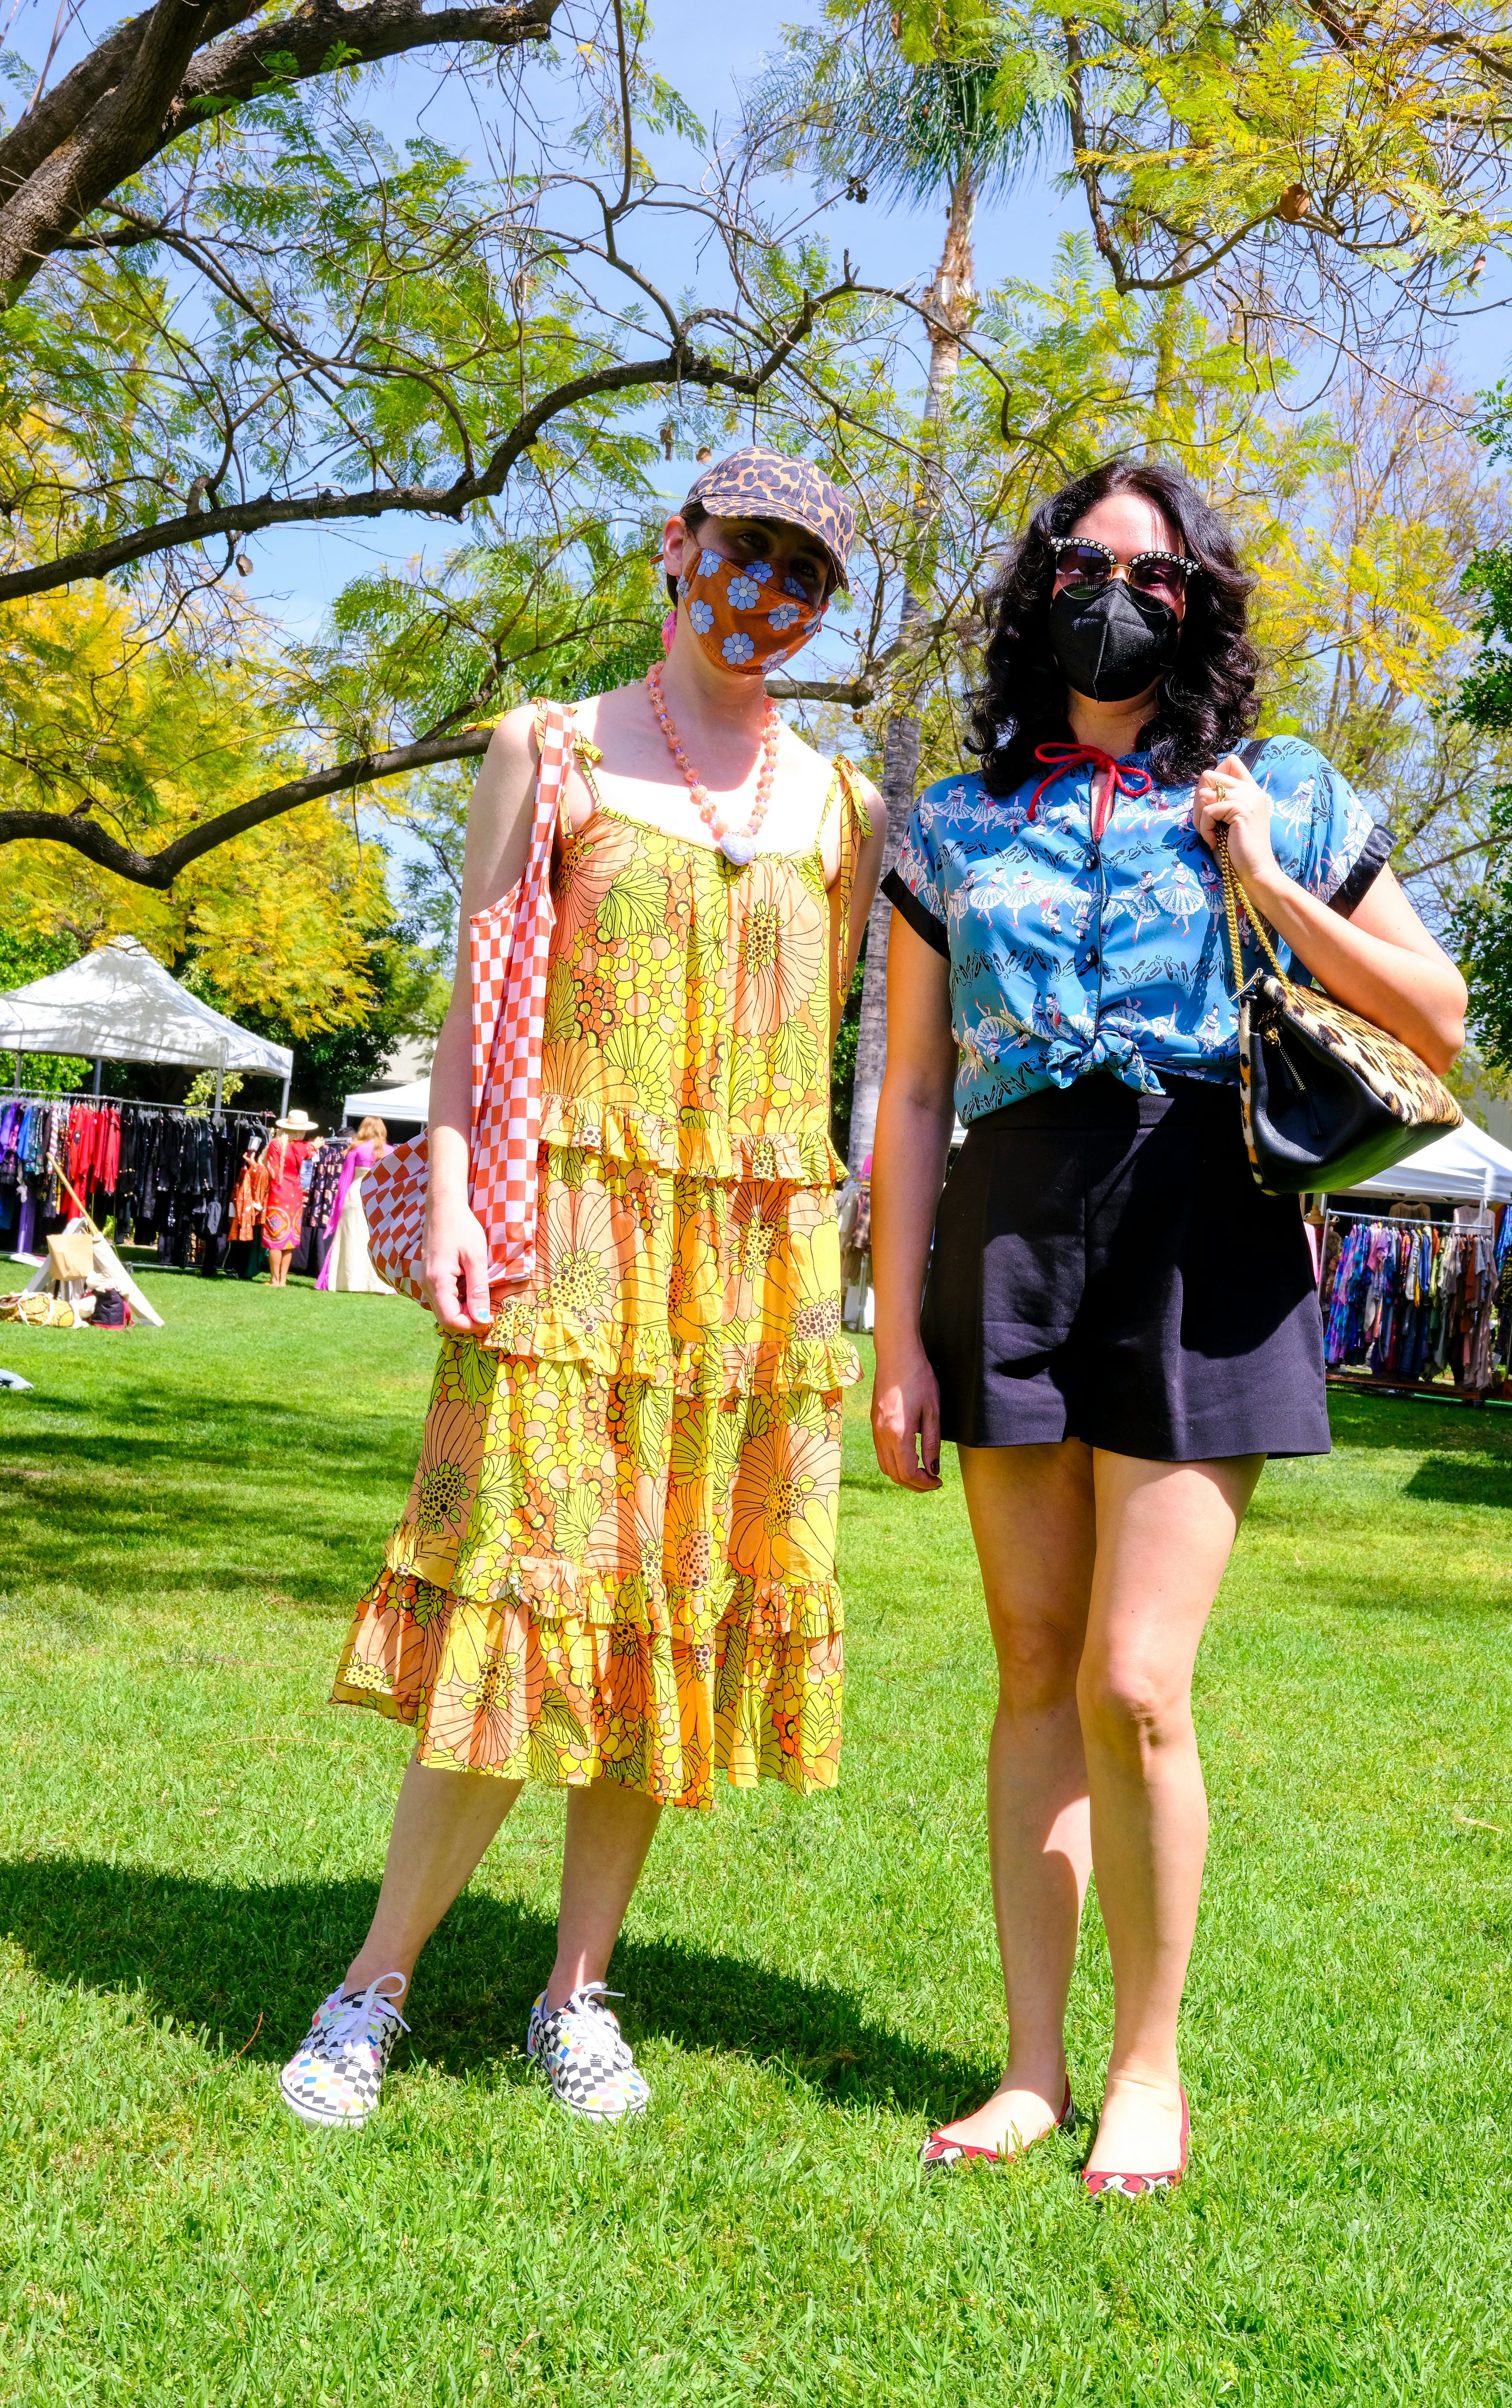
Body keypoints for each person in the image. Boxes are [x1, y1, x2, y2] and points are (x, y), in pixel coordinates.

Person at [870, 459, 1466, 2197]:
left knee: (1134, 1681)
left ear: (1196, 601)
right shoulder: (948, 821)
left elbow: (1435, 1015)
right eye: (1082, 561)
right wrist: (894, 1336)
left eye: (1152, 571)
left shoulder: (1279, 785)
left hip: (1201, 1217)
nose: (1113, 593)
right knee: (1030, 1669)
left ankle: (1148, 2067)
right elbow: (911, 1093)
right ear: (1036, 585)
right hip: (1007, 1222)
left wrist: (1264, 877)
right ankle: (1030, 2068)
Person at [279, 446, 884, 2128]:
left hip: (741, 1277)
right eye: (747, 551)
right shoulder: (545, 751)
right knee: (518, 1599)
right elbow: (474, 1019)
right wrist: (457, 1200)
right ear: (676, 547)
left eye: (805, 574)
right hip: (564, 1235)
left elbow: (807, 1056)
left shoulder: (843, 809)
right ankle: (372, 1984)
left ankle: (578, 1991)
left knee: (656, 1621)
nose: (767, 593)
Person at [316, 1115, 395, 1294]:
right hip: (379, 1201)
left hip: (355, 1197)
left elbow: (345, 1180)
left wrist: (337, 1206)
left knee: (350, 1239)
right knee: (375, 1242)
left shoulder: (357, 1149)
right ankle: (378, 1284)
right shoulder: (390, 1151)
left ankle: (350, 1281)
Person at [260, 1109, 316, 1287]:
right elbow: (311, 1151)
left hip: (278, 1193)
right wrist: (316, 1145)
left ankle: (274, 1279)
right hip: (296, 1195)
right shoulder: (304, 1147)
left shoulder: (277, 1145)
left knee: (275, 1239)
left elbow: (271, 1170)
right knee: (289, 1240)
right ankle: (283, 1280)